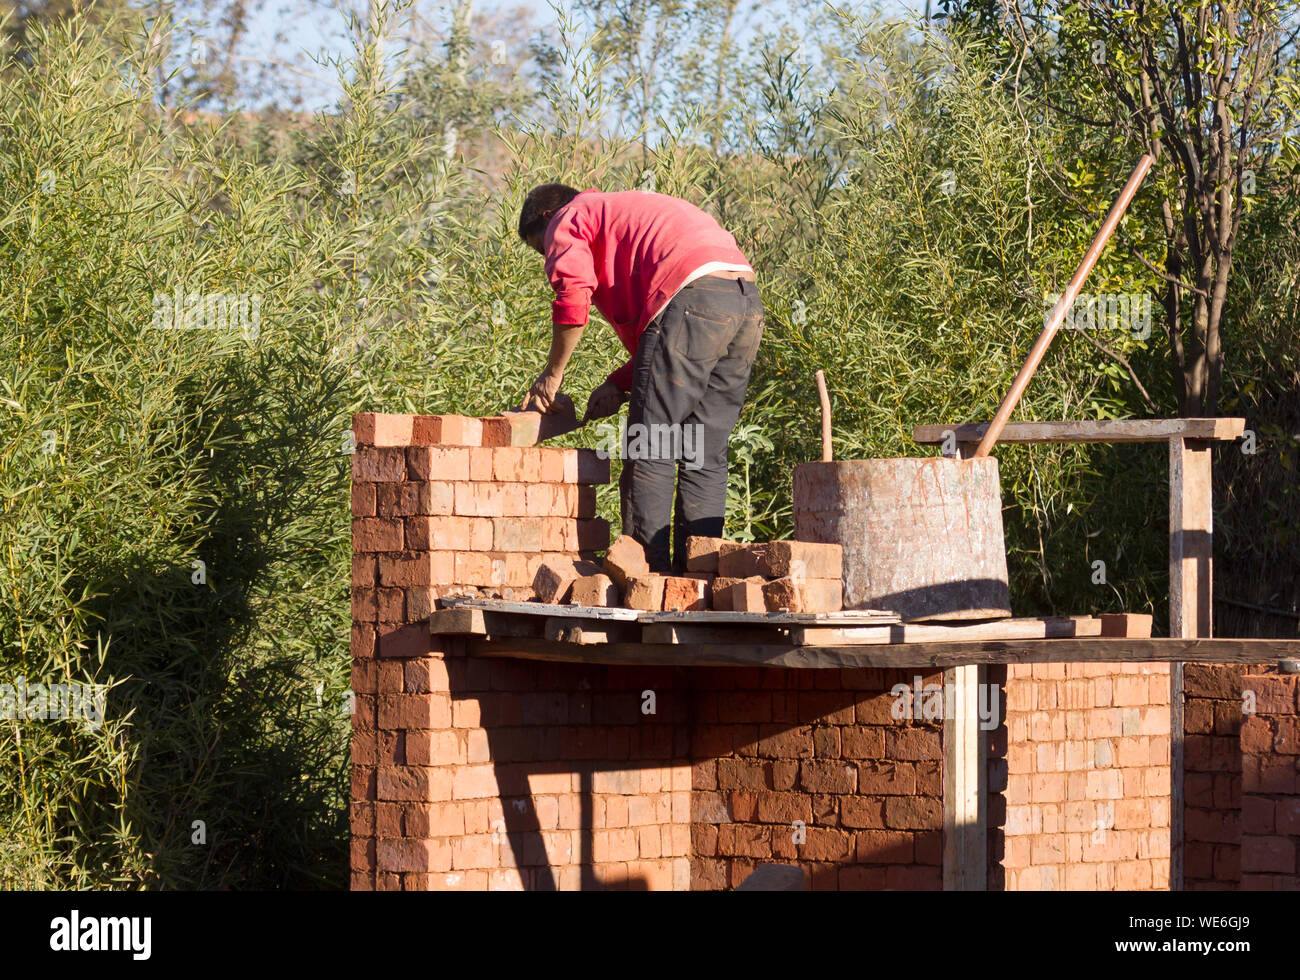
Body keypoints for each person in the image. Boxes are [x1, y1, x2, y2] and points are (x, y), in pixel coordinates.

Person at [518, 183, 765, 574]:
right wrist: (618, 383)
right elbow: (676, 342)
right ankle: (697, 579)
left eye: (541, 248)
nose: (548, 254)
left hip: (691, 296)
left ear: (547, 217)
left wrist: (552, 375)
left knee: (650, 444)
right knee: (702, 451)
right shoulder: (622, 212)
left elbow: (572, 298)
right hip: (742, 300)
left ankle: (646, 578)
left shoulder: (569, 216)